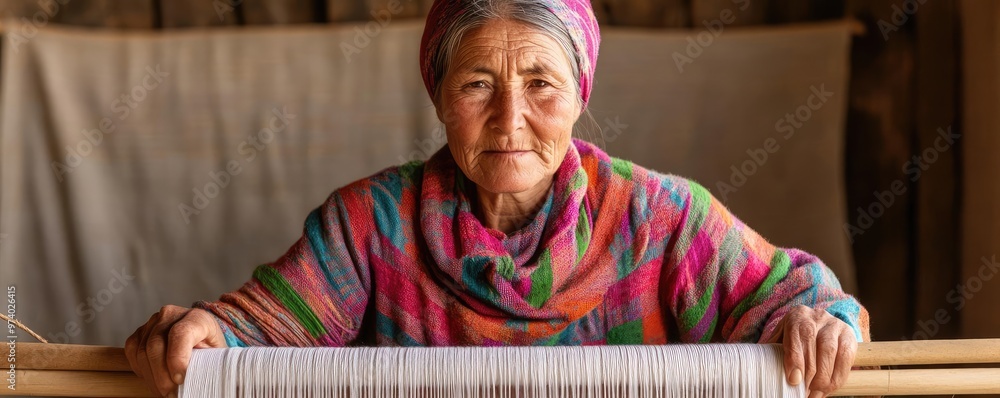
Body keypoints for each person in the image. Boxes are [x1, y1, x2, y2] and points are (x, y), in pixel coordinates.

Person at [125, 0, 870, 397]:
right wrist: (201, 336)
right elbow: (258, 334)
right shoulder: (371, 227)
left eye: (540, 84)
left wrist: (823, 324)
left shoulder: (661, 221)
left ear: (580, 95)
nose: (510, 121)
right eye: (478, 83)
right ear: (440, 98)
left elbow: (803, 306)